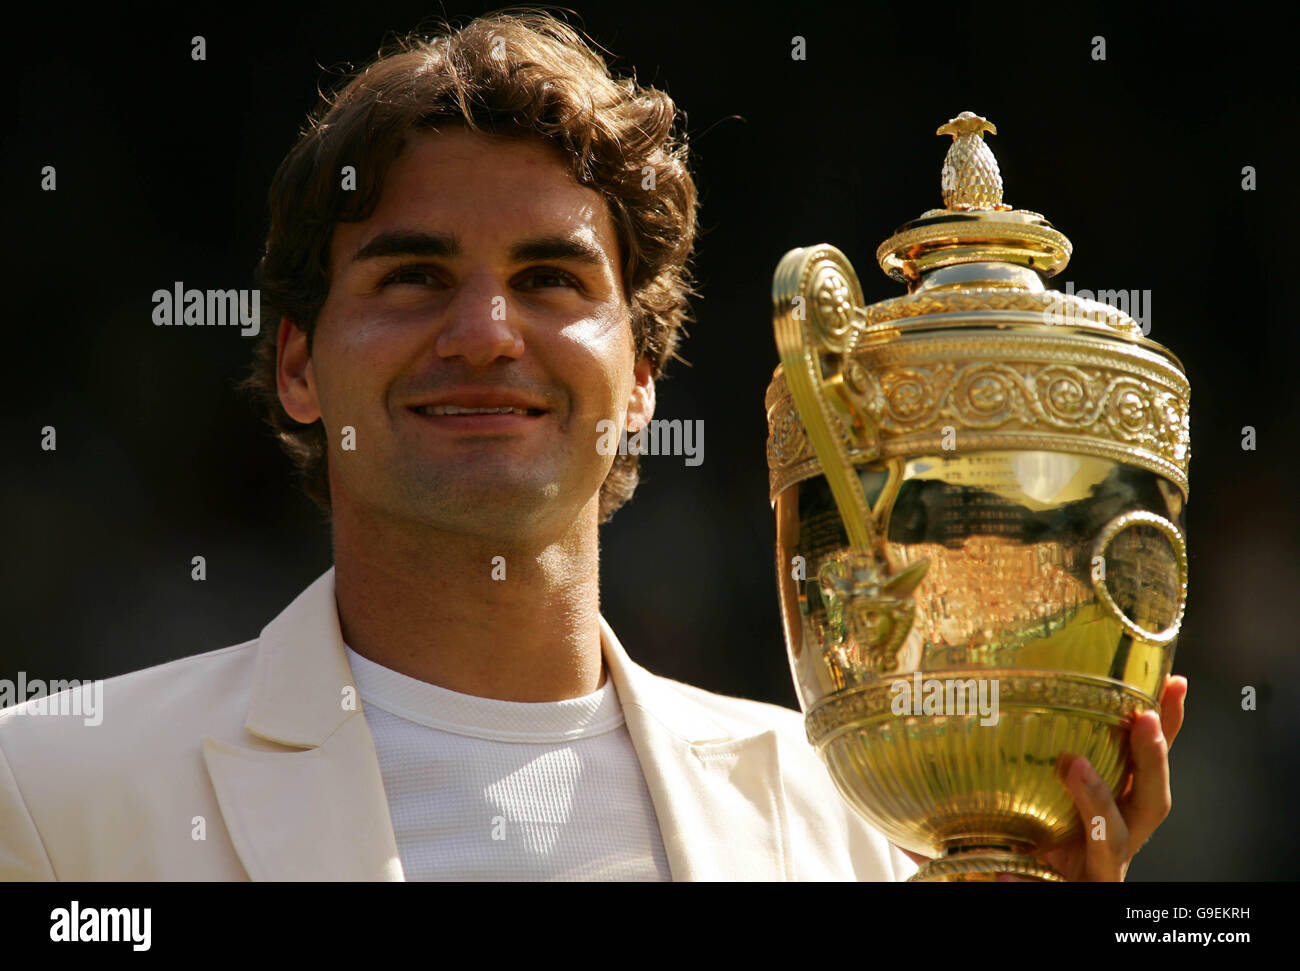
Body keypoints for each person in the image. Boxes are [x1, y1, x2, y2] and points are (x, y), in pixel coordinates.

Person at [0, 10, 1182, 881]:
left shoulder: (859, 830)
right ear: (301, 365)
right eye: (413, 276)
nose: (484, 333)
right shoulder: (49, 791)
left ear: (641, 382)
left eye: (549, 278)